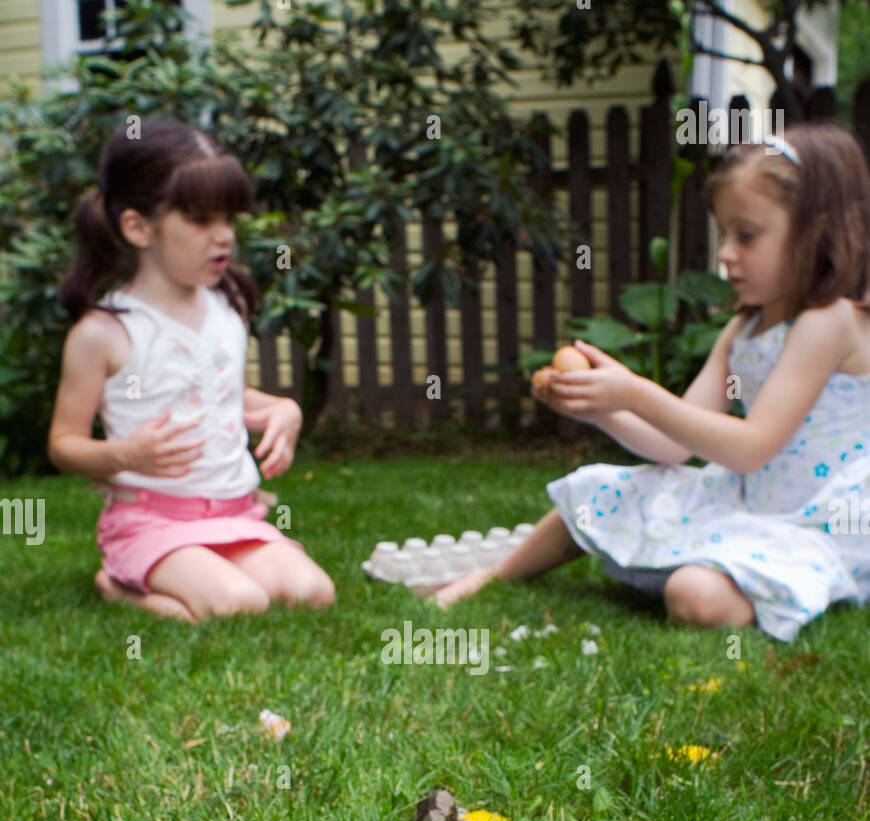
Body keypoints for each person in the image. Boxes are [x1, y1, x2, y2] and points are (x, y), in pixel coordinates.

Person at [436, 124, 870, 642]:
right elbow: (670, 447)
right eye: (724, 234)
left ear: (815, 229)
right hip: (746, 502)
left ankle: (763, 581)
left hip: (816, 522)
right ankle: (496, 575)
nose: (726, 254)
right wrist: (599, 408)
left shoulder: (829, 322)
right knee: (600, 489)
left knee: (694, 595)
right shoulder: (745, 327)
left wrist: (636, 392)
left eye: (747, 236)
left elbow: (752, 447)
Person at [48, 120, 335, 621]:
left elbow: (222, 394)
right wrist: (125, 454)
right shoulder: (106, 332)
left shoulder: (226, 308)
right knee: (238, 606)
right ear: (139, 227)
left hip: (233, 516)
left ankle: (212, 569)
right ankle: (117, 582)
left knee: (314, 592)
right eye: (201, 220)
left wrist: (282, 409)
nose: (224, 235)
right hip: (151, 521)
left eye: (229, 219)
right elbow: (63, 444)